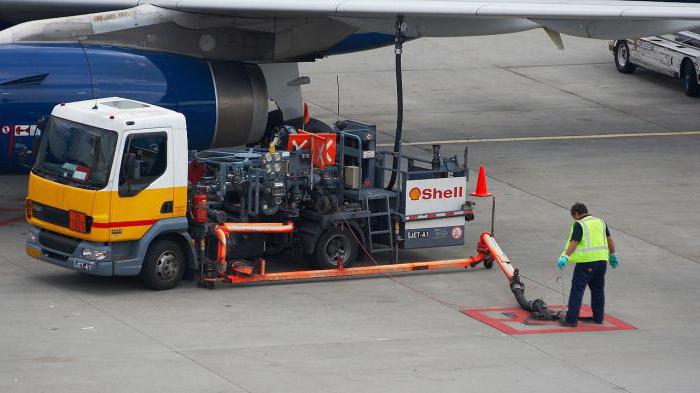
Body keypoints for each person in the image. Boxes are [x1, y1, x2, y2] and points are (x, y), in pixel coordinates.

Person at [557, 203, 617, 327]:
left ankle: (571, 320)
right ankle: (598, 318)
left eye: (573, 216)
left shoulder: (579, 224)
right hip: (602, 261)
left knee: (577, 290)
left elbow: (574, 242)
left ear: (576, 214)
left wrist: (565, 256)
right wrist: (612, 254)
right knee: (598, 289)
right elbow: (609, 239)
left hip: (586, 263)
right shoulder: (601, 222)